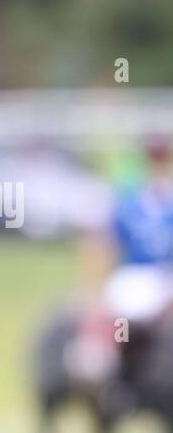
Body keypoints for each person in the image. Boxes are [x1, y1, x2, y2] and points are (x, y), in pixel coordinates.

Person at [66, 136, 173, 388]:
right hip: (134, 276)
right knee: (116, 317)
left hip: (166, 275)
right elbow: (109, 244)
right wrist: (91, 283)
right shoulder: (130, 204)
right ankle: (112, 368)